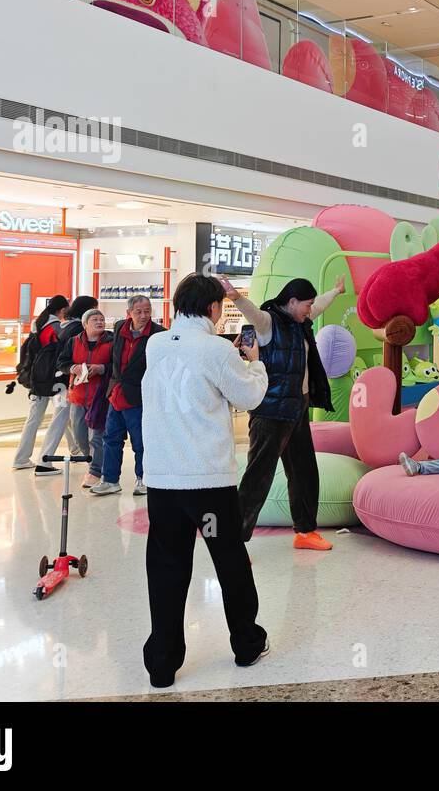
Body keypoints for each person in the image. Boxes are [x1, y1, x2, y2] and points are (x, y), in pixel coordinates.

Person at [140, 273, 270, 689]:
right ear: (213, 308)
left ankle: (162, 663)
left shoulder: (155, 344)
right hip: (208, 484)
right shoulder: (216, 349)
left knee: (166, 567)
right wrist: (255, 363)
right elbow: (249, 396)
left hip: (163, 482)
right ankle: (246, 644)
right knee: (229, 561)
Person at [226, 275, 344, 551]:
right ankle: (234, 544)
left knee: (304, 471)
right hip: (271, 412)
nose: (310, 309)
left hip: (296, 408)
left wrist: (336, 291)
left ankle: (305, 531)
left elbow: (319, 305)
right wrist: (236, 297)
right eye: (306, 304)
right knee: (258, 476)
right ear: (292, 302)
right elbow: (252, 313)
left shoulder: (300, 321)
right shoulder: (268, 322)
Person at [92, 295, 165, 497]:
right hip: (116, 393)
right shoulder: (118, 328)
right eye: (138, 312)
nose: (143, 315)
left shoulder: (159, 334)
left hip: (140, 396)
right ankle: (110, 480)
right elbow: (114, 359)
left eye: (147, 311)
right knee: (111, 438)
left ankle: (144, 478)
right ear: (129, 313)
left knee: (141, 441)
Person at [12, 294, 74, 474]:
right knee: (61, 414)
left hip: (37, 380)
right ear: (63, 309)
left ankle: (21, 458)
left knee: (34, 419)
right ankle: (46, 460)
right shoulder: (57, 328)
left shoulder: (38, 325)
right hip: (54, 381)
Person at [58, 307, 114, 489]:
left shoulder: (112, 341)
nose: (99, 322)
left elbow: (117, 365)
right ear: (85, 324)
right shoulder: (73, 342)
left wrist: (101, 368)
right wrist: (72, 368)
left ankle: (95, 471)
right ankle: (93, 463)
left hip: (101, 397)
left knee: (97, 437)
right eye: (94, 319)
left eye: (101, 319)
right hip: (78, 396)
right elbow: (61, 362)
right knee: (80, 436)